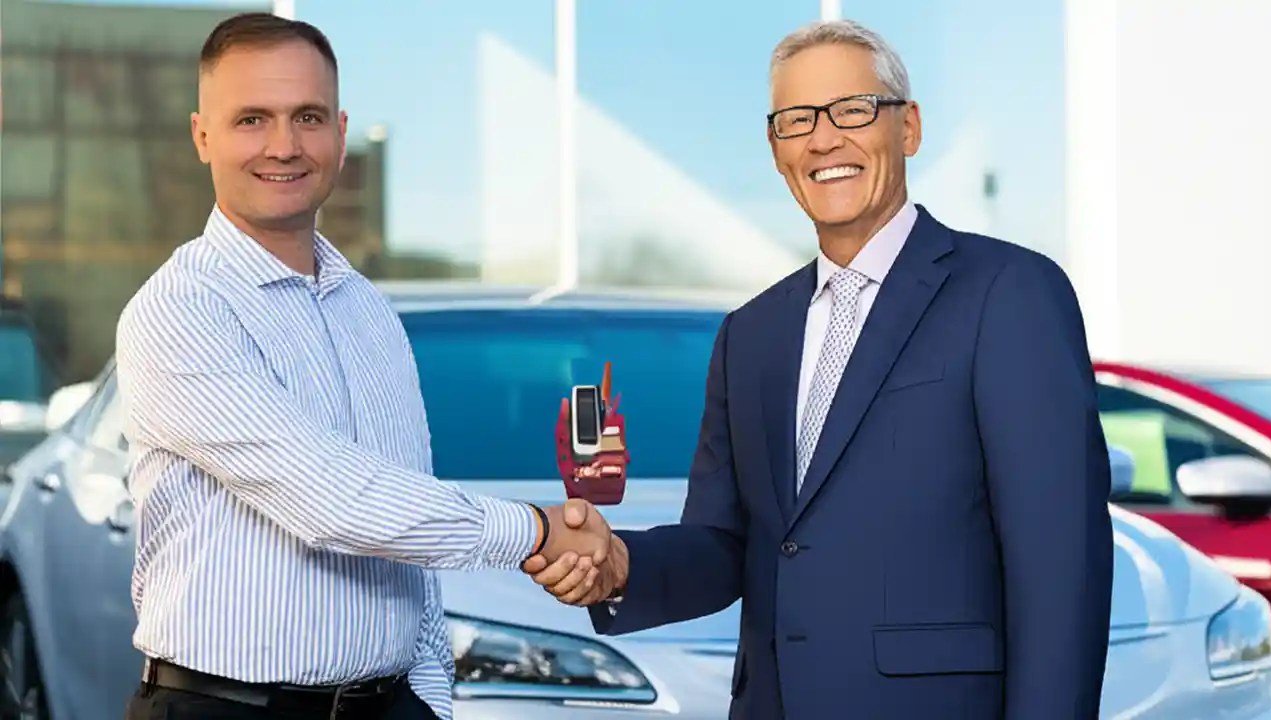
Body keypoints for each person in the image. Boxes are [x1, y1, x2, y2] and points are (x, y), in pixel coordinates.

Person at [523, 18, 1114, 719]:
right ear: (777, 150)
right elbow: (727, 544)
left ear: (908, 127)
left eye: (852, 110)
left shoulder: (1008, 293)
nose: (824, 139)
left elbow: (1061, 567)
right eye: (797, 120)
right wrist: (621, 565)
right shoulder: (751, 334)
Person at [115, 12, 612, 720]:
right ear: (202, 136)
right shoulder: (180, 310)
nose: (284, 146)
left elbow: (408, 506)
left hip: (388, 704)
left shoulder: (370, 311)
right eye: (252, 119)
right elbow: (337, 502)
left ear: (340, 132)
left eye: (308, 117)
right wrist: (536, 530)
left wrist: (429, 696)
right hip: (226, 708)